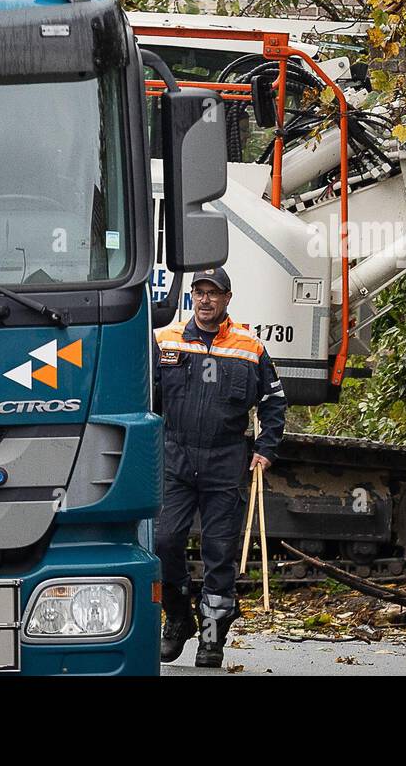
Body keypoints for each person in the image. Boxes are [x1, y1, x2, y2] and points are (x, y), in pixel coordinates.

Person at [153, 266, 286, 667]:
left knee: (219, 553)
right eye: (200, 292)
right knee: (164, 543)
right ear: (192, 296)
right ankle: (178, 617)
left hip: (225, 460)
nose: (206, 299)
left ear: (228, 298)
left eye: (214, 293)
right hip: (174, 456)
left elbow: (274, 402)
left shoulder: (250, 347)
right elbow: (140, 391)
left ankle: (212, 637)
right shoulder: (165, 340)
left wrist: (266, 447)